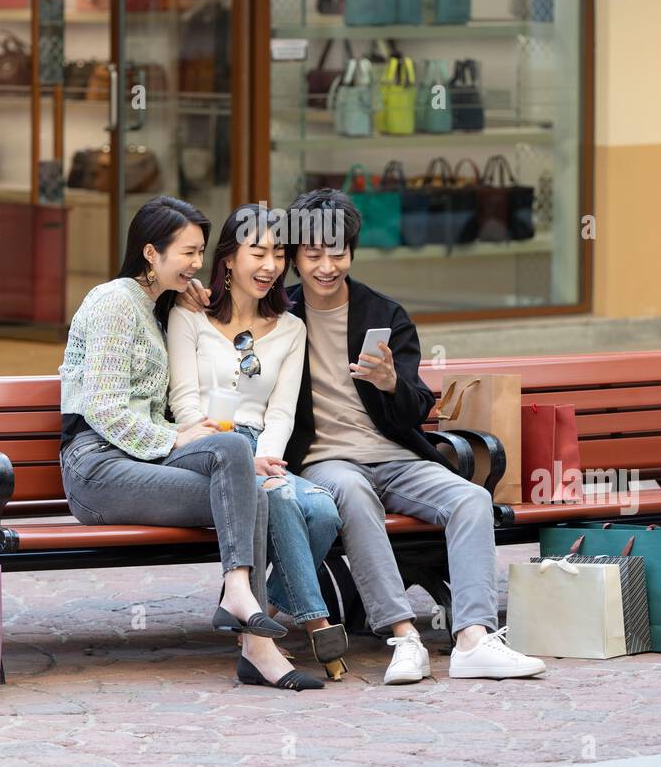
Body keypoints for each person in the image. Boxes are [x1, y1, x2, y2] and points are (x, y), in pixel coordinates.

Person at [183, 189, 545, 686]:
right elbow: (235, 331)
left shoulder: (385, 315)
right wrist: (200, 292)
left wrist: (393, 384)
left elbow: (418, 407)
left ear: (352, 252)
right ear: (297, 258)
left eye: (338, 254)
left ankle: (474, 640)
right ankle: (403, 636)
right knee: (351, 492)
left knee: (470, 499)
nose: (327, 266)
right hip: (327, 462)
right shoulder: (282, 319)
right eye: (312, 256)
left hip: (396, 457)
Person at [58, 195, 324, 692]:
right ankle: (252, 632)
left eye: (202, 252)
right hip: (95, 468)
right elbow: (104, 407)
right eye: (187, 252)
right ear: (151, 253)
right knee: (242, 481)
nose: (198, 264)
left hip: (139, 459)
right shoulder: (114, 302)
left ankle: (244, 611)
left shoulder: (155, 303)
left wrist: (184, 299)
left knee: (237, 459)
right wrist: (176, 435)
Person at [167, 204, 348, 680]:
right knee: (282, 499)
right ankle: (315, 624)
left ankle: (251, 610)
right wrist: (236, 456)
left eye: (280, 254)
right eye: (259, 252)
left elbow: (281, 411)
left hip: (263, 446)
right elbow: (185, 403)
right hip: (204, 447)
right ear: (228, 258)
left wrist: (265, 455)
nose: (271, 266)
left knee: (324, 510)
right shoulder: (188, 316)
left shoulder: (291, 328)